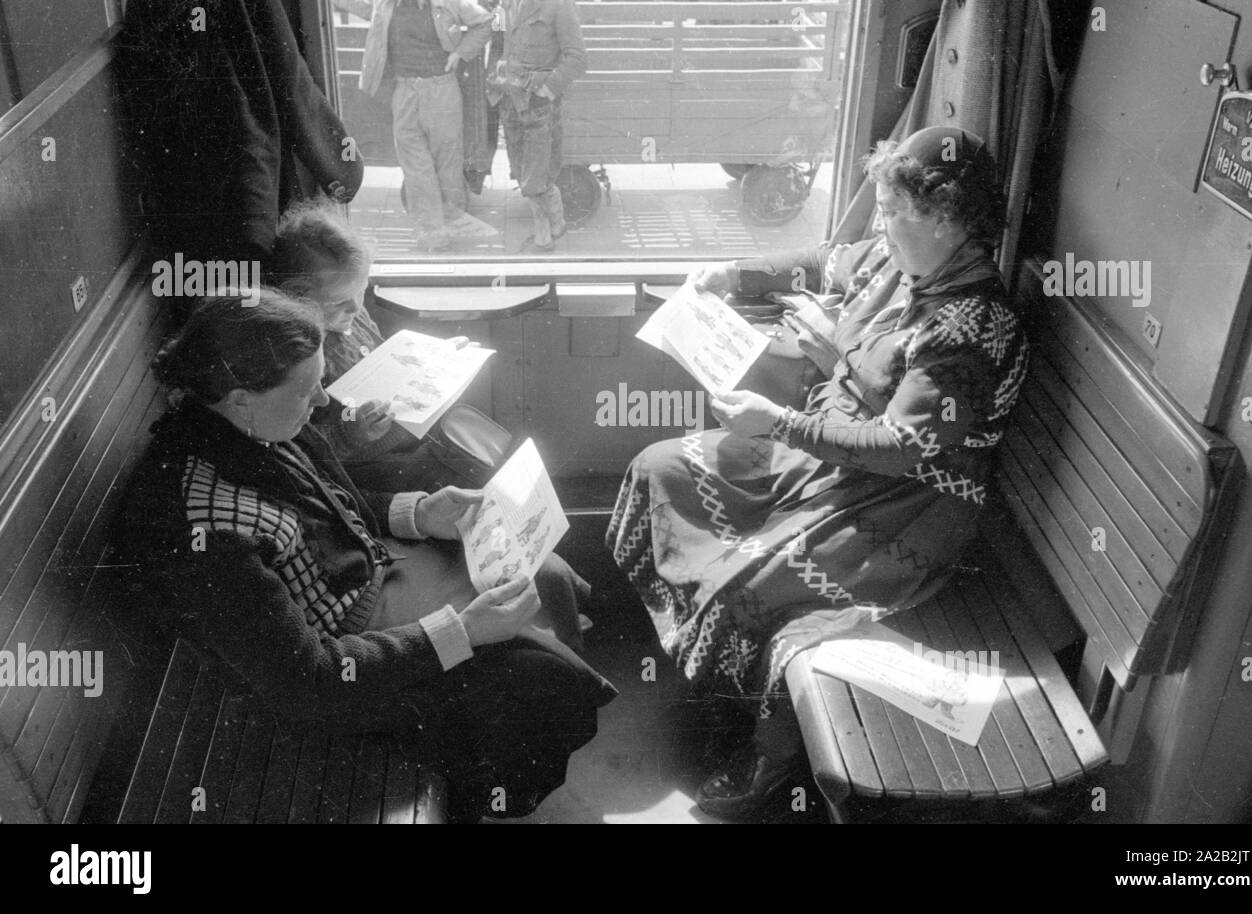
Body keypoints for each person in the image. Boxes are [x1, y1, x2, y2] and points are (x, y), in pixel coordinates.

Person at [606, 126, 1030, 820]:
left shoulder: (973, 330)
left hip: (905, 500)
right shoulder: (904, 264)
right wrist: (735, 274)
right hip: (828, 450)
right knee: (662, 468)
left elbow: (899, 445)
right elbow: (826, 260)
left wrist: (777, 423)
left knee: (759, 589)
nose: (883, 225)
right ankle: (702, 673)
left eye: (896, 214)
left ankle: (771, 762)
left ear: (950, 222)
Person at [115, 291, 615, 821]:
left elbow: (326, 512)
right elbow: (307, 680)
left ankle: (527, 688)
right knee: (528, 673)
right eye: (309, 391)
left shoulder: (247, 428)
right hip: (344, 663)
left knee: (545, 570)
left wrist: (420, 514)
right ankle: (482, 794)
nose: (324, 403)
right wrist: (463, 633)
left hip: (365, 581)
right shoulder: (208, 528)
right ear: (241, 398)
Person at [267, 198, 592, 650]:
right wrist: (353, 431)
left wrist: (432, 367)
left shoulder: (350, 318)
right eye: (341, 305)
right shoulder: (297, 358)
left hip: (402, 440)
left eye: (362, 295)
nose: (354, 311)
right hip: (369, 469)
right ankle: (551, 608)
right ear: (297, 300)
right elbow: (317, 454)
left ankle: (558, 602)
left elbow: (383, 363)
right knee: (491, 490)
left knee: (507, 469)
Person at [359, 0, 493, 252]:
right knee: (416, 169)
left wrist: (459, 53)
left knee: (447, 165)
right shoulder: (385, 4)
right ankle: (433, 236)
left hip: (442, 90)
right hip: (404, 91)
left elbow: (485, 22)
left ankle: (453, 228)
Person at [488, 0, 586, 253]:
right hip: (510, 100)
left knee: (535, 176)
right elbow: (499, 40)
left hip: (538, 105)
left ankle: (548, 230)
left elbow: (577, 59)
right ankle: (549, 231)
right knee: (522, 172)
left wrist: (547, 88)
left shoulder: (560, 5)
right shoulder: (506, 3)